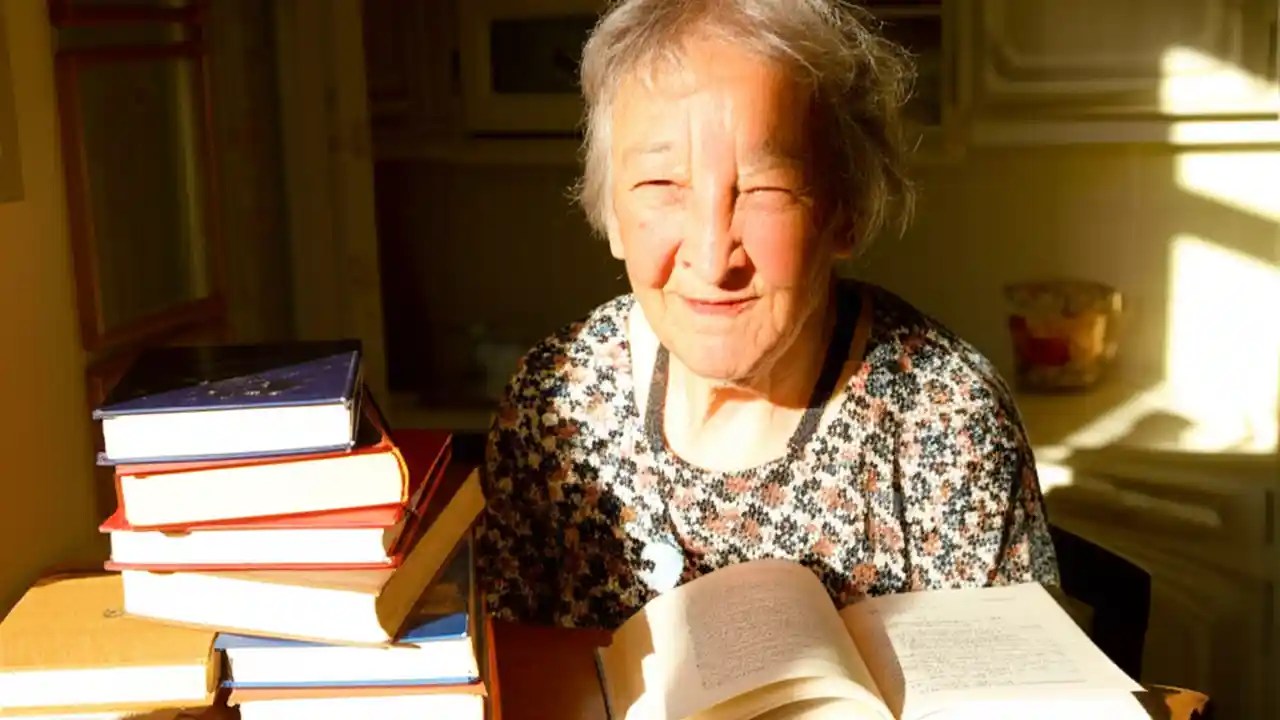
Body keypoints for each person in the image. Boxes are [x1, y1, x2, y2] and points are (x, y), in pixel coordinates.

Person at [476, 0, 1059, 630]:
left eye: (764, 191)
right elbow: (497, 672)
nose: (710, 256)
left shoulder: (945, 421)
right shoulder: (558, 403)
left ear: (846, 213)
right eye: (661, 186)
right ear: (613, 214)